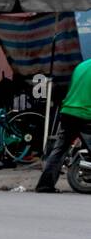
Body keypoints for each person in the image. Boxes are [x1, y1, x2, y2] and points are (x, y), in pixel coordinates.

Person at [37, 57, 91, 192]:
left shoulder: (82, 66)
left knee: (59, 150)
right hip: (86, 114)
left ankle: (45, 185)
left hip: (68, 112)